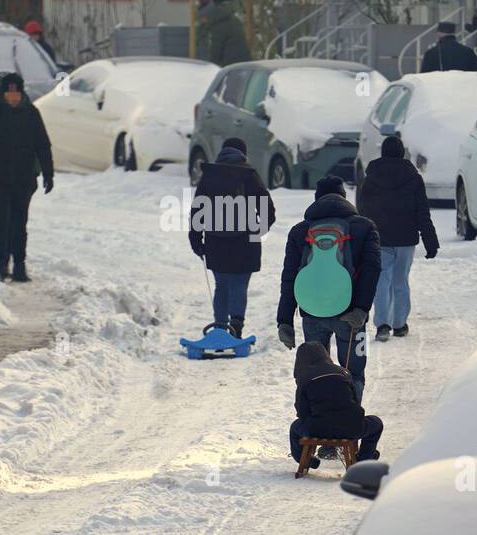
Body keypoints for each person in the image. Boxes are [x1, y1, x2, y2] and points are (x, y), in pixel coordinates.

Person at [277, 175, 381, 403]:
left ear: (316, 199)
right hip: (352, 317)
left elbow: (289, 277)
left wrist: (284, 320)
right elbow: (372, 271)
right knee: (354, 374)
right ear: (344, 197)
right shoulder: (364, 227)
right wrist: (362, 309)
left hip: (312, 311)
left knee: (314, 374)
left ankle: (318, 425)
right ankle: (348, 425)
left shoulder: (299, 231)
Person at [0, 71, 54, 282]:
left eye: (17, 95)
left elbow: (42, 144)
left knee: (19, 223)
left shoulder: (30, 113)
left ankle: (20, 264)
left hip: (23, 179)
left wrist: (48, 173)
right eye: (9, 95)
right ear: (1, 94)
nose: (13, 99)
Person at [188, 137, 275, 338]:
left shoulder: (209, 175)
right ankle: (236, 330)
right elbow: (267, 207)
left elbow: (197, 210)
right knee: (239, 285)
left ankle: (220, 328)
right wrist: (259, 231)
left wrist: (196, 240)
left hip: (215, 240)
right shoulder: (248, 174)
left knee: (221, 285)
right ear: (243, 153)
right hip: (245, 241)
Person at [356, 135, 439, 342]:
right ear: (402, 153)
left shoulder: (370, 178)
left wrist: (361, 240)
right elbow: (422, 212)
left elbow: (362, 211)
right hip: (405, 239)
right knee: (401, 280)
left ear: (383, 152)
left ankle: (382, 325)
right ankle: (400, 324)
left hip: (379, 238)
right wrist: (430, 240)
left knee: (381, 282)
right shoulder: (413, 178)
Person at [289, 342, 383, 469]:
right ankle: (363, 458)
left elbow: (302, 412)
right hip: (351, 427)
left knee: (295, 427)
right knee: (376, 423)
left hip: (318, 429)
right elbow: (354, 402)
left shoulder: (305, 378)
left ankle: (305, 460)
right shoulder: (343, 373)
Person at [196, 0, 251, 66]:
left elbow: (216, 52)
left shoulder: (219, 27)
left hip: (232, 65)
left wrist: (211, 67)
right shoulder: (231, 19)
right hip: (244, 62)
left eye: (203, 17)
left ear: (209, 15)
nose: (203, 21)